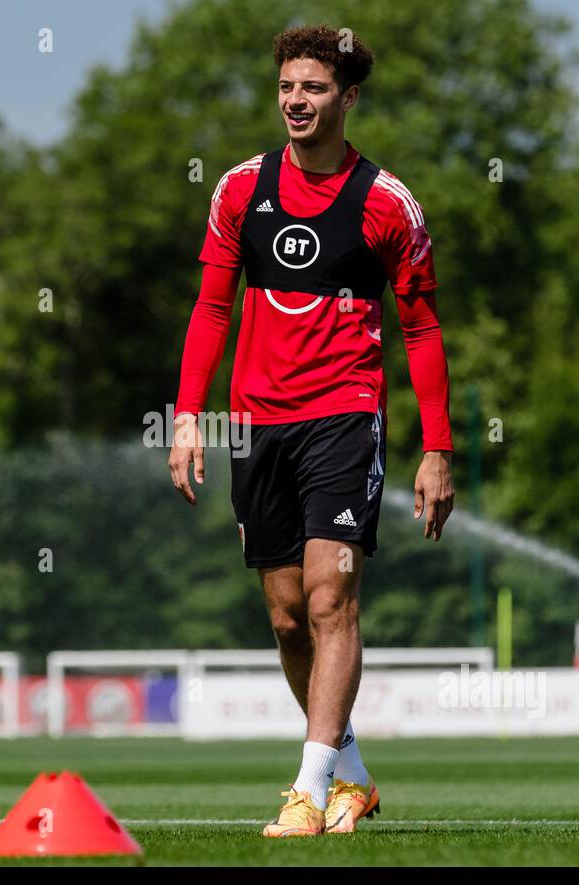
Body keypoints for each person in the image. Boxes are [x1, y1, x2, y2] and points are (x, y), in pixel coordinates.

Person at [168, 24, 455, 836]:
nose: (297, 100)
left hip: (345, 416)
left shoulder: (386, 204)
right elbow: (212, 307)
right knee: (288, 615)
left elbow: (423, 331)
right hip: (257, 425)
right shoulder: (239, 189)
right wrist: (188, 415)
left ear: (348, 97)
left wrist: (438, 449)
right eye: (288, 85)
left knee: (333, 598)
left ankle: (307, 786)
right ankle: (353, 777)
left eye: (315, 88)